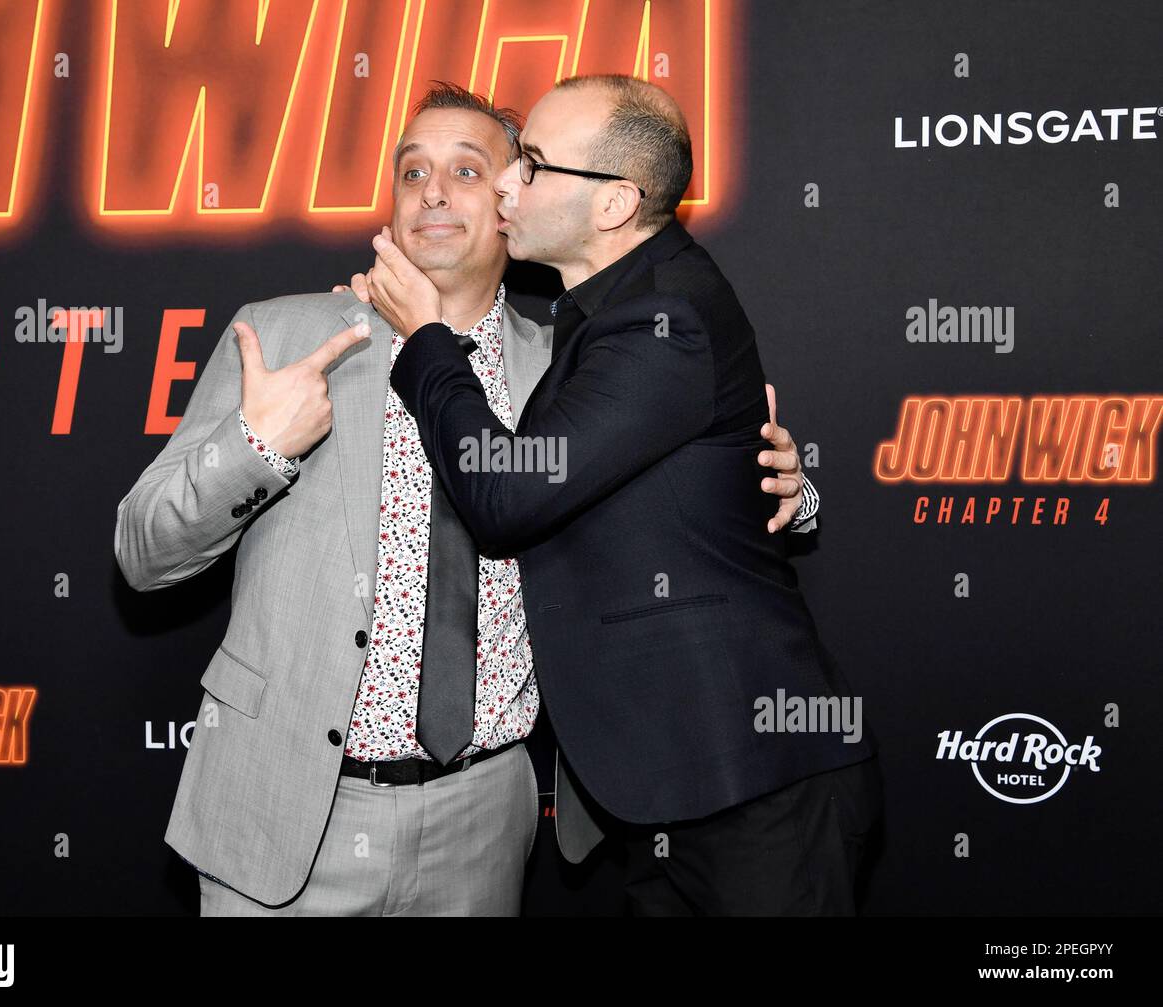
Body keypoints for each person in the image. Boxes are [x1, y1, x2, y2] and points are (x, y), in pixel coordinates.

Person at [115, 83, 816, 916]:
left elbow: (677, 489)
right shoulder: (283, 336)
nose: (433, 191)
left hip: (483, 822)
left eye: (469, 169)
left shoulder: (575, 361)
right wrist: (254, 448)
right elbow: (143, 551)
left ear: (515, 200)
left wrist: (789, 486)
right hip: (287, 813)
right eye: (411, 171)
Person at [359, 74, 882, 915]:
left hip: (754, 786)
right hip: (673, 784)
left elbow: (503, 492)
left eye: (529, 164)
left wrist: (426, 340)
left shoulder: (661, 316)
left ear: (612, 206)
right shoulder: (609, 308)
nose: (503, 182)